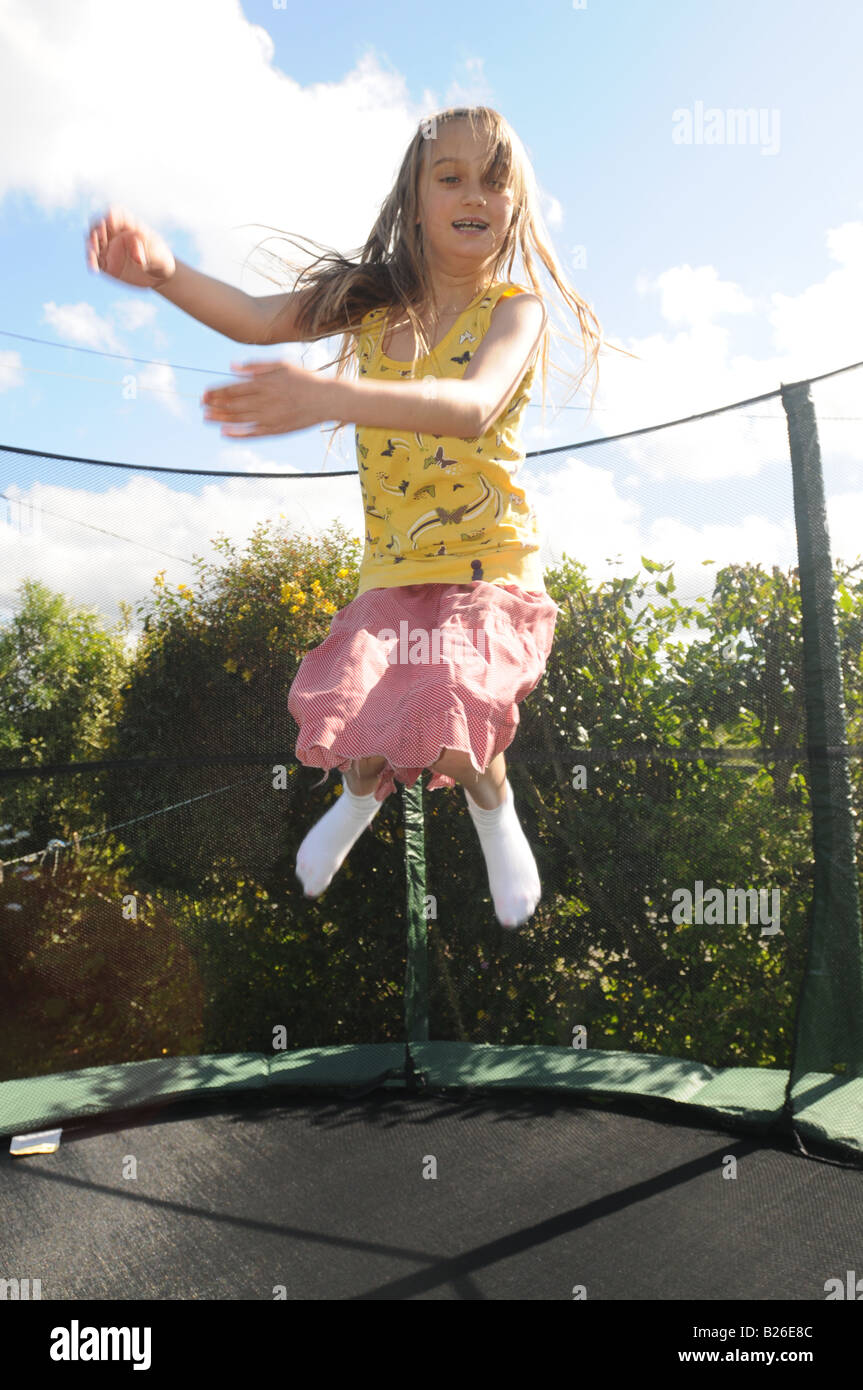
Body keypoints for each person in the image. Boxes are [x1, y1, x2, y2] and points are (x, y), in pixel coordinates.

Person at [85, 105, 620, 928]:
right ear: (413, 202)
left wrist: (327, 395)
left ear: (513, 206)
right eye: (450, 178)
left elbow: (471, 407)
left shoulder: (513, 310)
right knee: (362, 731)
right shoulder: (368, 303)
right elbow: (258, 317)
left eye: (494, 180)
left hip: (487, 564)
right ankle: (357, 801)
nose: (473, 193)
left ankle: (493, 809)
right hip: (392, 572)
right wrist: (163, 273)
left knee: (453, 713)